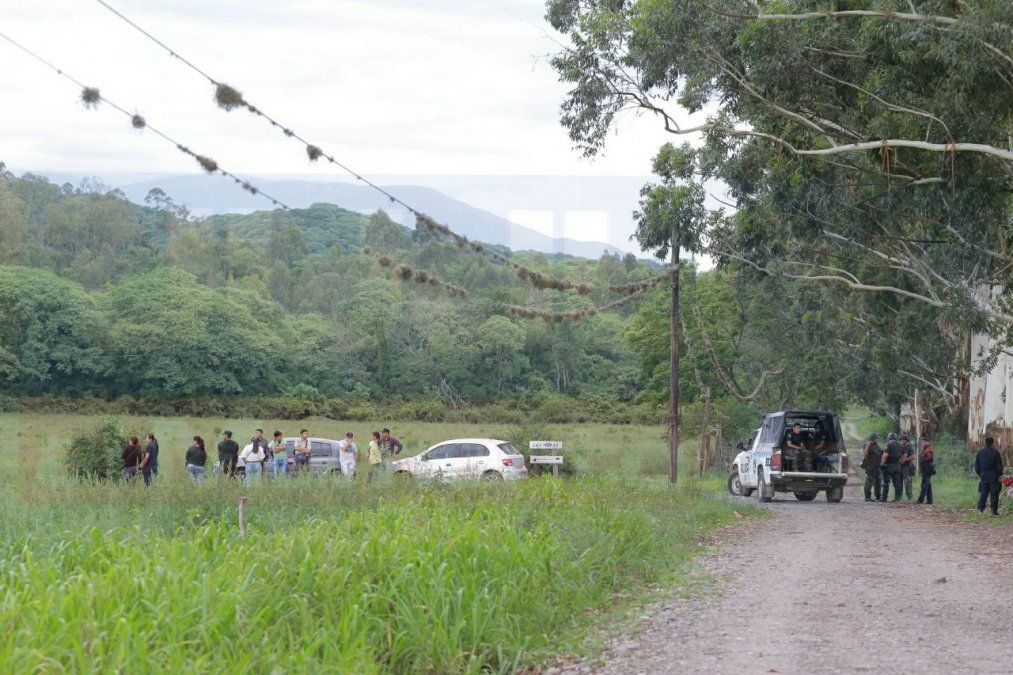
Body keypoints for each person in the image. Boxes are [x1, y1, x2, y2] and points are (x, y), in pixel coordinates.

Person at [974, 437, 1004, 516]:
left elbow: (976, 466)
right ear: (992, 443)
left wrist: (980, 474)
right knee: (994, 494)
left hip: (983, 476)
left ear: (985, 443)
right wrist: (999, 475)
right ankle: (994, 511)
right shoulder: (995, 453)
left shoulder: (980, 453)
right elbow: (999, 467)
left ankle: (980, 509)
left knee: (983, 493)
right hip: (994, 477)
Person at [880, 432, 903, 502]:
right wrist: (900, 461)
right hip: (897, 465)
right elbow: (905, 455)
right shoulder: (900, 445)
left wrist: (882, 464)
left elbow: (885, 455)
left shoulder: (888, 445)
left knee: (885, 482)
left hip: (888, 465)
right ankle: (897, 498)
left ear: (889, 438)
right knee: (897, 482)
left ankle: (884, 498)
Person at [861, 433, 882, 501]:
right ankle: (867, 496)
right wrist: (869, 445)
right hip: (870, 466)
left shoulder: (877, 446)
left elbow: (881, 454)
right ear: (872, 439)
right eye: (876, 438)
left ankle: (878, 496)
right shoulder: (867, 445)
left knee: (878, 482)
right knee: (869, 482)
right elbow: (865, 455)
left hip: (877, 466)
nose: (877, 440)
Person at [916, 438, 935, 505]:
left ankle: (920, 500)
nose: (923, 443)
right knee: (928, 486)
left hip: (927, 470)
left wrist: (922, 457)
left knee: (924, 485)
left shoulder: (928, 449)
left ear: (928, 442)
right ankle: (930, 500)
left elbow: (928, 458)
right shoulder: (925, 449)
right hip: (925, 469)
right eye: (922, 442)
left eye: (924, 442)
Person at [899, 435, 915, 500]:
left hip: (907, 467)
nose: (901, 441)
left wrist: (906, 459)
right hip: (900, 466)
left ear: (905, 440)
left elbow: (913, 456)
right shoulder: (900, 447)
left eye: (902, 440)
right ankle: (899, 496)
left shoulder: (909, 447)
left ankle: (909, 496)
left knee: (907, 482)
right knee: (899, 481)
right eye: (900, 440)